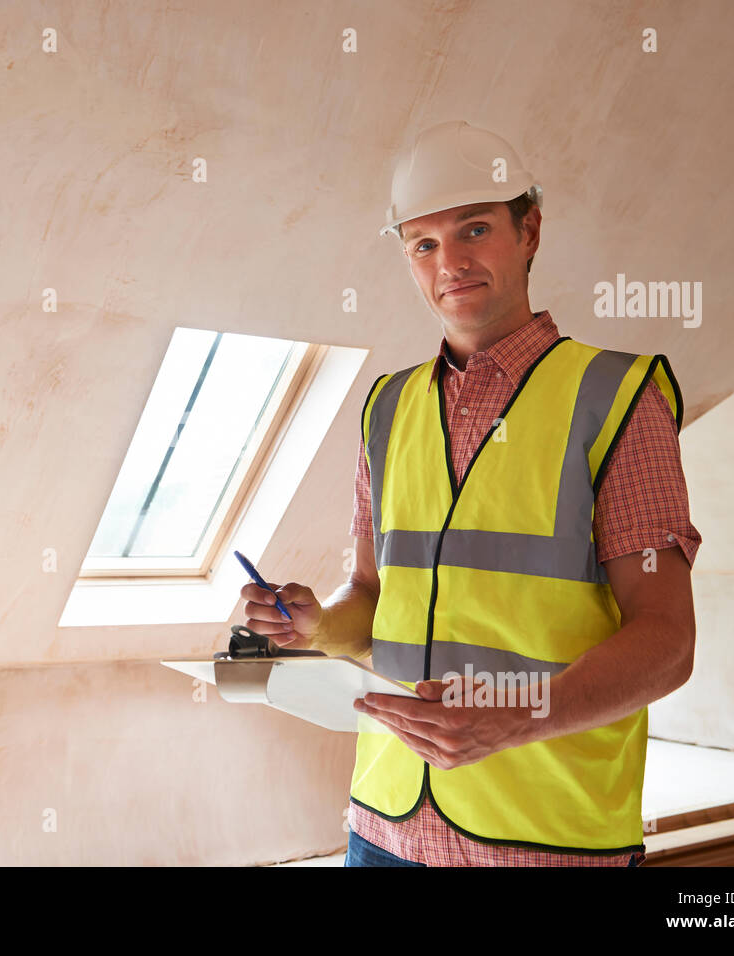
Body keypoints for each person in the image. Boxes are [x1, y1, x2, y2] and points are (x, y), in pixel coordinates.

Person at [241, 120, 701, 867]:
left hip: (546, 839)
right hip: (383, 827)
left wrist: (514, 719)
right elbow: (371, 598)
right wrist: (317, 623)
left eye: (474, 229)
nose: (449, 262)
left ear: (530, 232)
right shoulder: (386, 409)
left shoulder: (616, 397)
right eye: (422, 244)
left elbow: (667, 643)